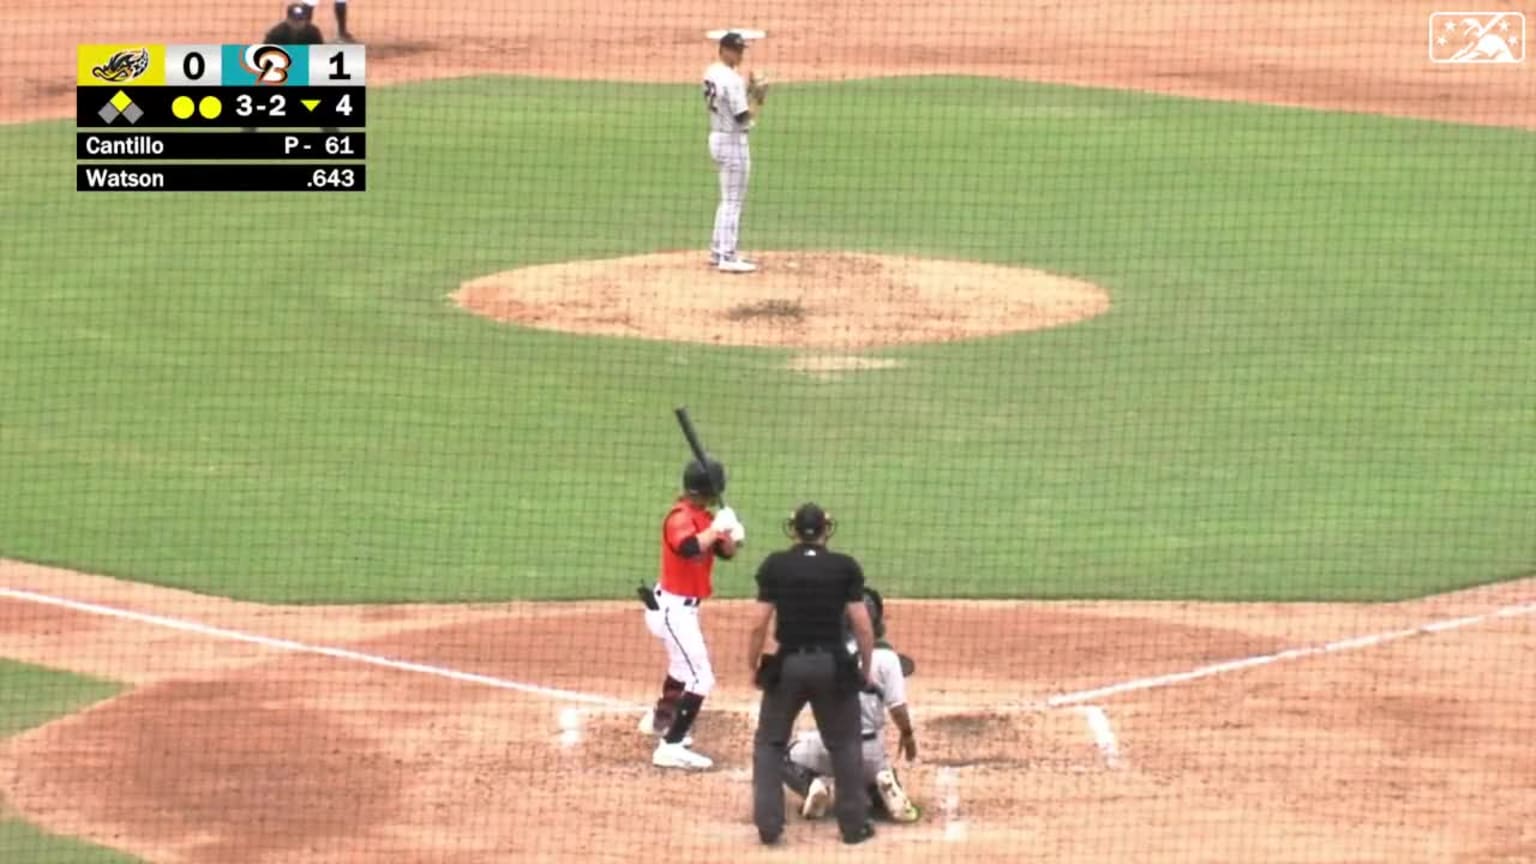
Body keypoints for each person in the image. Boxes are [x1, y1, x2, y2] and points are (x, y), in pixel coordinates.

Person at [747, 503, 877, 846]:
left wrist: (753, 665)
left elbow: (758, 624)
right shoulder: (843, 567)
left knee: (770, 744)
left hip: (788, 665)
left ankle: (769, 825)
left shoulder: (775, 566)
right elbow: (863, 628)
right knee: (845, 744)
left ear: (793, 530)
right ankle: (853, 826)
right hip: (832, 667)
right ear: (825, 529)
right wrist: (865, 668)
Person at [636, 456, 743, 770]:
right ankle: (671, 745)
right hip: (671, 608)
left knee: (684, 668)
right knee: (701, 677)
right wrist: (716, 529)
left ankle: (661, 719)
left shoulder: (705, 516)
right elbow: (688, 548)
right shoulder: (679, 517)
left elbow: (725, 553)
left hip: (683, 610)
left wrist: (734, 534)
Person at [782, 587, 921, 823]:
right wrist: (907, 735)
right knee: (872, 776)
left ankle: (814, 787)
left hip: (829, 748)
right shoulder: (887, 659)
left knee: (782, 756)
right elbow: (897, 707)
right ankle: (883, 785)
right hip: (870, 752)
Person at [701, 32, 768, 273]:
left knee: (727, 198)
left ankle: (717, 250)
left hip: (716, 137)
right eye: (736, 50)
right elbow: (743, 118)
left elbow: (729, 104)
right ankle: (727, 256)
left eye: (742, 50)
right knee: (733, 200)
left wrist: (748, 92)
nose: (740, 55)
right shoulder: (732, 79)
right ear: (724, 49)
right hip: (732, 142)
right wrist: (758, 99)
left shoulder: (711, 72)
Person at [244, 5, 337, 135]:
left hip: (303, 73)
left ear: (305, 19)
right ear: (288, 19)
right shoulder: (276, 33)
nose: (297, 23)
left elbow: (320, 56)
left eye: (301, 20)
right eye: (294, 20)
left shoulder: (312, 32)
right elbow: (263, 58)